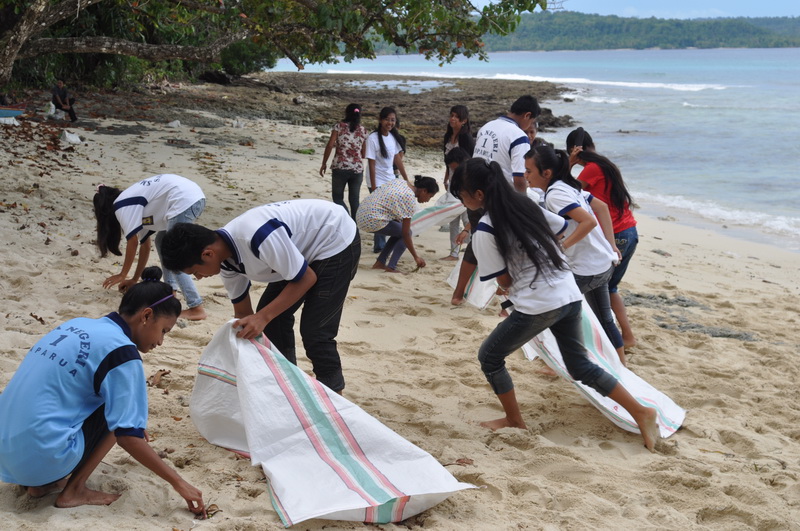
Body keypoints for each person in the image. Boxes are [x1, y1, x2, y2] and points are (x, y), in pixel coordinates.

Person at [451, 158, 659, 452]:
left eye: (462, 194)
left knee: (490, 356)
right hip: (568, 292)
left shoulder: (484, 231)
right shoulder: (527, 205)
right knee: (579, 365)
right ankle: (641, 412)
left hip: (539, 304)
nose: (462, 200)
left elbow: (506, 280)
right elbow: (561, 229)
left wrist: (510, 277)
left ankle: (514, 420)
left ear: (478, 195)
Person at [0, 266, 206, 514]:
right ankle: (74, 490)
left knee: (92, 397)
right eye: (163, 330)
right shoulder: (123, 352)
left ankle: (39, 484)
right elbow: (127, 436)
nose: (160, 342)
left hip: (7, 453)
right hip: (42, 455)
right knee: (119, 414)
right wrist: (179, 482)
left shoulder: (77, 324)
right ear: (146, 315)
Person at [160, 199, 360, 393]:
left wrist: (262, 317)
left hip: (335, 238)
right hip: (297, 252)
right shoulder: (226, 262)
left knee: (316, 330)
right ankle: (289, 386)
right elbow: (243, 313)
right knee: (273, 321)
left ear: (207, 254)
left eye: (195, 272)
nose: (199, 278)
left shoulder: (257, 237)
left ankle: (334, 398)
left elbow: (306, 278)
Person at [525, 145, 628, 366]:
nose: (525, 176)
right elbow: (600, 207)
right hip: (603, 263)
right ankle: (622, 366)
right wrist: (611, 245)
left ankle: (556, 365)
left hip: (586, 269)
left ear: (547, 173)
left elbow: (589, 221)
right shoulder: (567, 186)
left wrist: (561, 247)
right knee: (604, 317)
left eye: (529, 171)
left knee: (554, 313)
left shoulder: (556, 194)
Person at [94, 174, 207, 320]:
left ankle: (196, 307)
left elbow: (133, 241)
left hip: (183, 199)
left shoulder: (122, 206)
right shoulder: (134, 204)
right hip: (190, 196)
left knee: (175, 254)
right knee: (161, 241)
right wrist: (134, 279)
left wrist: (123, 274)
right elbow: (144, 244)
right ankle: (171, 292)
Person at [567, 127, 638, 349]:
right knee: (610, 288)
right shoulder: (605, 164)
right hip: (629, 231)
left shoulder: (591, 169)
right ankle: (626, 337)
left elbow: (568, 192)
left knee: (598, 291)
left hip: (616, 234)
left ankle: (607, 342)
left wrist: (568, 164)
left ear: (575, 150)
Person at [356, 175, 439, 273]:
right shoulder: (409, 199)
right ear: (424, 191)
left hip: (361, 214)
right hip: (371, 220)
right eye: (430, 196)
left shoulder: (401, 182)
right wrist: (416, 257)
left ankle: (380, 262)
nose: (427, 200)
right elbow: (406, 233)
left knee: (399, 231)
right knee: (407, 233)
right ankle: (391, 267)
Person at [473, 95, 540, 193]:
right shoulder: (519, 136)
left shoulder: (486, 126)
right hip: (500, 194)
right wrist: (522, 204)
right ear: (527, 116)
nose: (529, 126)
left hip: (476, 189)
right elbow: (519, 178)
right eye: (531, 121)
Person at [365, 106, 409, 253]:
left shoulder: (393, 137)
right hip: (376, 180)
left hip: (390, 179)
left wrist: (406, 179)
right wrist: (374, 187)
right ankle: (379, 246)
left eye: (392, 120)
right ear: (380, 120)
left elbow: (397, 159)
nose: (389, 123)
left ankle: (390, 242)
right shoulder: (372, 138)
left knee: (393, 212)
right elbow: (371, 164)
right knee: (379, 213)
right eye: (387, 120)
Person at [319, 103, 368, 219]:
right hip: (357, 169)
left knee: (337, 198)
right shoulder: (363, 130)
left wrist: (324, 163)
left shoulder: (339, 126)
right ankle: (355, 228)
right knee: (354, 200)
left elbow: (330, 145)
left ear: (347, 113)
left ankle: (346, 220)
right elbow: (364, 154)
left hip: (340, 167)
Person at [440, 105, 475, 260]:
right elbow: (448, 161)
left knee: (466, 216)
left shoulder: (465, 137)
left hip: (465, 182)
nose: (453, 119)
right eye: (451, 115)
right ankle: (454, 252)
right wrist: (446, 178)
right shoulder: (448, 137)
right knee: (453, 216)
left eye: (457, 117)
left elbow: (471, 161)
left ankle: (472, 246)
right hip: (452, 182)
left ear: (464, 121)